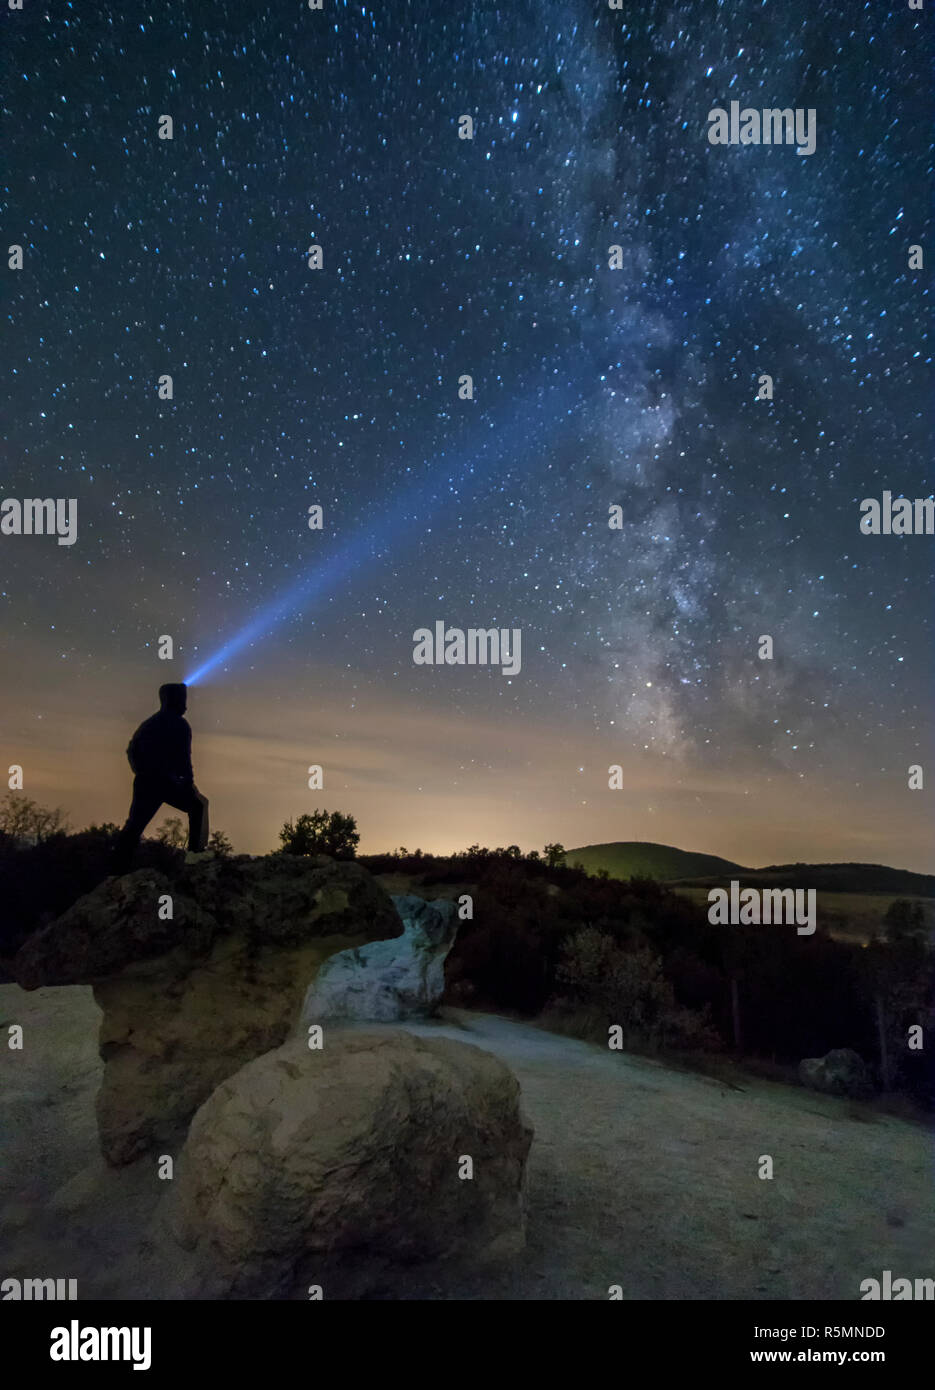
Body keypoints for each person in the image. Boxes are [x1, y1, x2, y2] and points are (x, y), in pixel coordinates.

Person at [112, 683, 209, 874]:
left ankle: (117, 869)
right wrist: (187, 783)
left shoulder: (149, 723)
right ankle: (195, 854)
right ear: (174, 700)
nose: (186, 705)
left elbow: (132, 750)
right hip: (167, 783)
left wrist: (141, 771)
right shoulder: (180, 725)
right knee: (198, 806)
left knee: (134, 825)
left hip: (146, 782)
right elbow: (183, 758)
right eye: (183, 700)